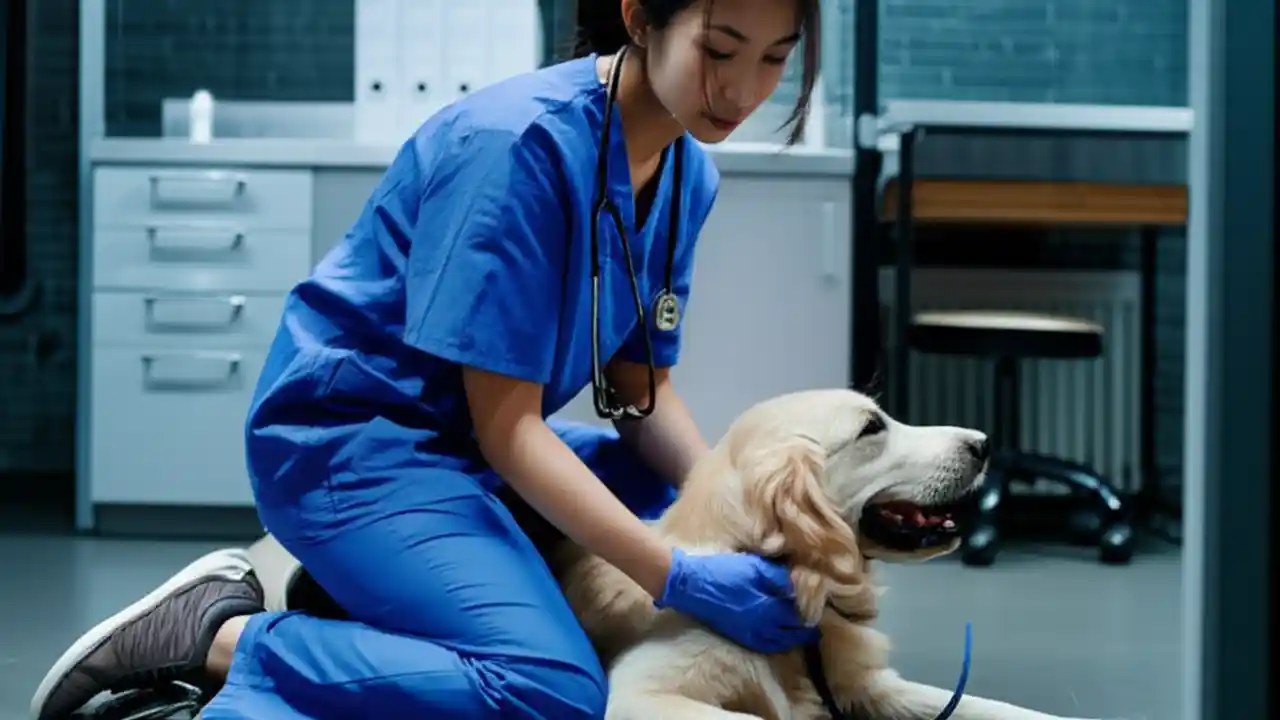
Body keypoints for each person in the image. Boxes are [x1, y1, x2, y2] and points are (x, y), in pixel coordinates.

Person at [30, 0, 823, 718]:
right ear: (641, 20)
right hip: (351, 445)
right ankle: (216, 638)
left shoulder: (688, 175)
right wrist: (675, 575)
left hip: (462, 451)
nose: (744, 88)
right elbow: (509, 432)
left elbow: (641, 394)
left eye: (775, 58)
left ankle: (368, 608)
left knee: (670, 491)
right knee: (550, 688)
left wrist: (742, 512)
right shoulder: (518, 147)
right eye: (720, 50)